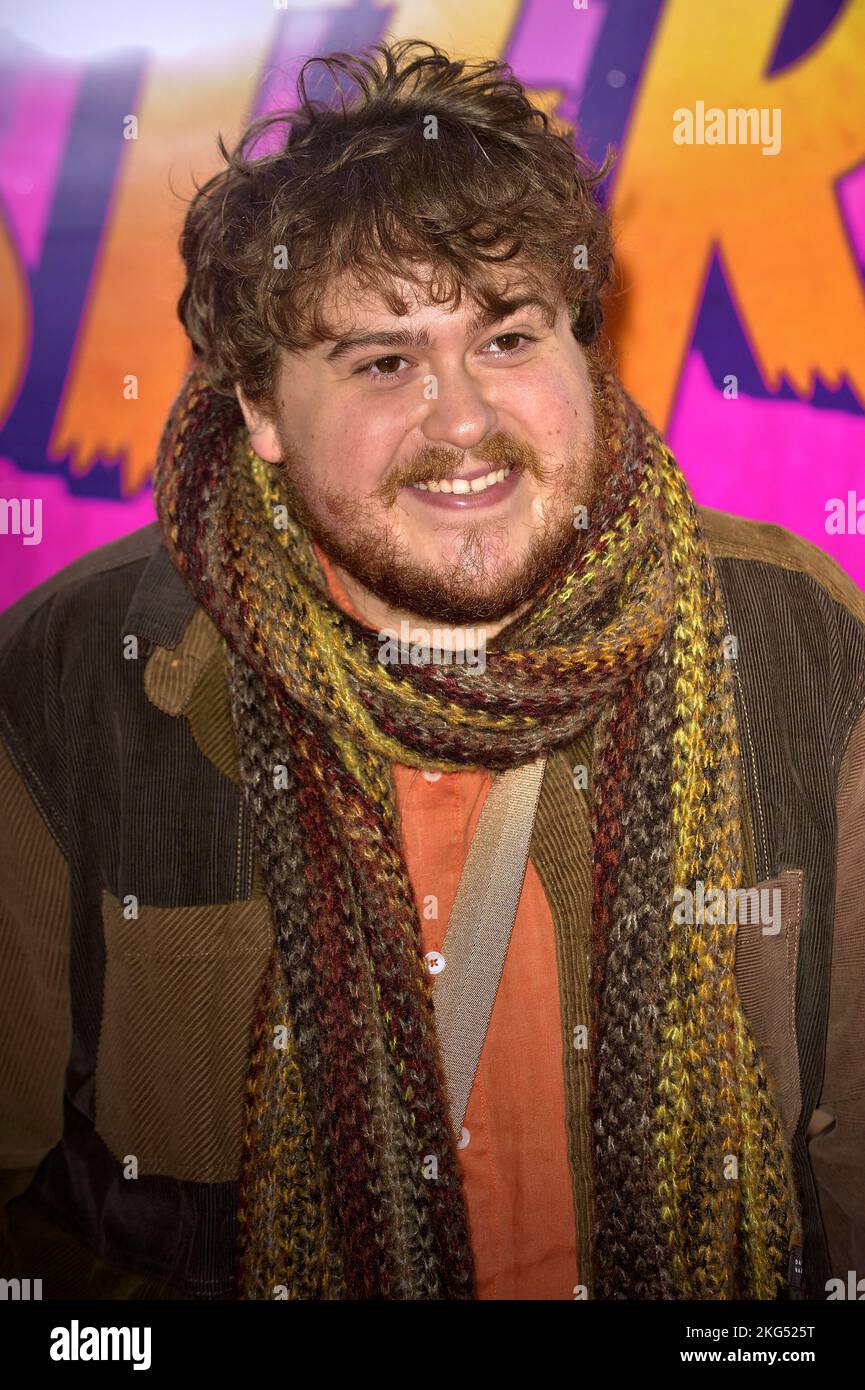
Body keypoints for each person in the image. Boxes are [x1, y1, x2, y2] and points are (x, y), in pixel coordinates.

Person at [0, 37, 862, 1302]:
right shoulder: (71, 679)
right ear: (258, 410)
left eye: (509, 338)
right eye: (384, 361)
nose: (463, 421)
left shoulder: (792, 634)